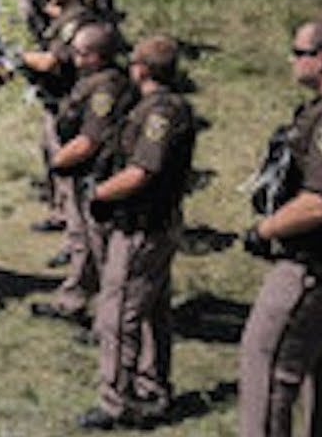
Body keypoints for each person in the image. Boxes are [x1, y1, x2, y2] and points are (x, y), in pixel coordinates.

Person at [238, 19, 322, 437]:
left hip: (316, 263)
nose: (291, 60)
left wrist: (265, 230)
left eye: (299, 52)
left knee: (268, 362)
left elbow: (320, 202)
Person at [77, 35, 196, 430]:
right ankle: (153, 385)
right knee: (154, 311)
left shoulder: (159, 113)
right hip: (158, 223)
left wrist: (100, 194)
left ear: (141, 68)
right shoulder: (168, 107)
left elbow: (143, 170)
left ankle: (117, 401)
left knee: (118, 312)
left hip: (142, 226)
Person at [30, 23, 135, 322]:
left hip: (95, 177)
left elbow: (91, 140)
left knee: (101, 250)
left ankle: (109, 320)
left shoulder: (106, 87)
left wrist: (58, 162)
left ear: (95, 56)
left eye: (78, 52)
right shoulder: (91, 79)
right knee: (82, 242)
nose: (72, 57)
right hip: (80, 175)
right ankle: (74, 299)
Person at [19, 0, 103, 237]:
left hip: (72, 104)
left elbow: (51, 61)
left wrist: (19, 56)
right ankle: (59, 213)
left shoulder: (76, 21)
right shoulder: (62, 17)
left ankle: (75, 232)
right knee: (51, 156)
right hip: (55, 100)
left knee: (67, 167)